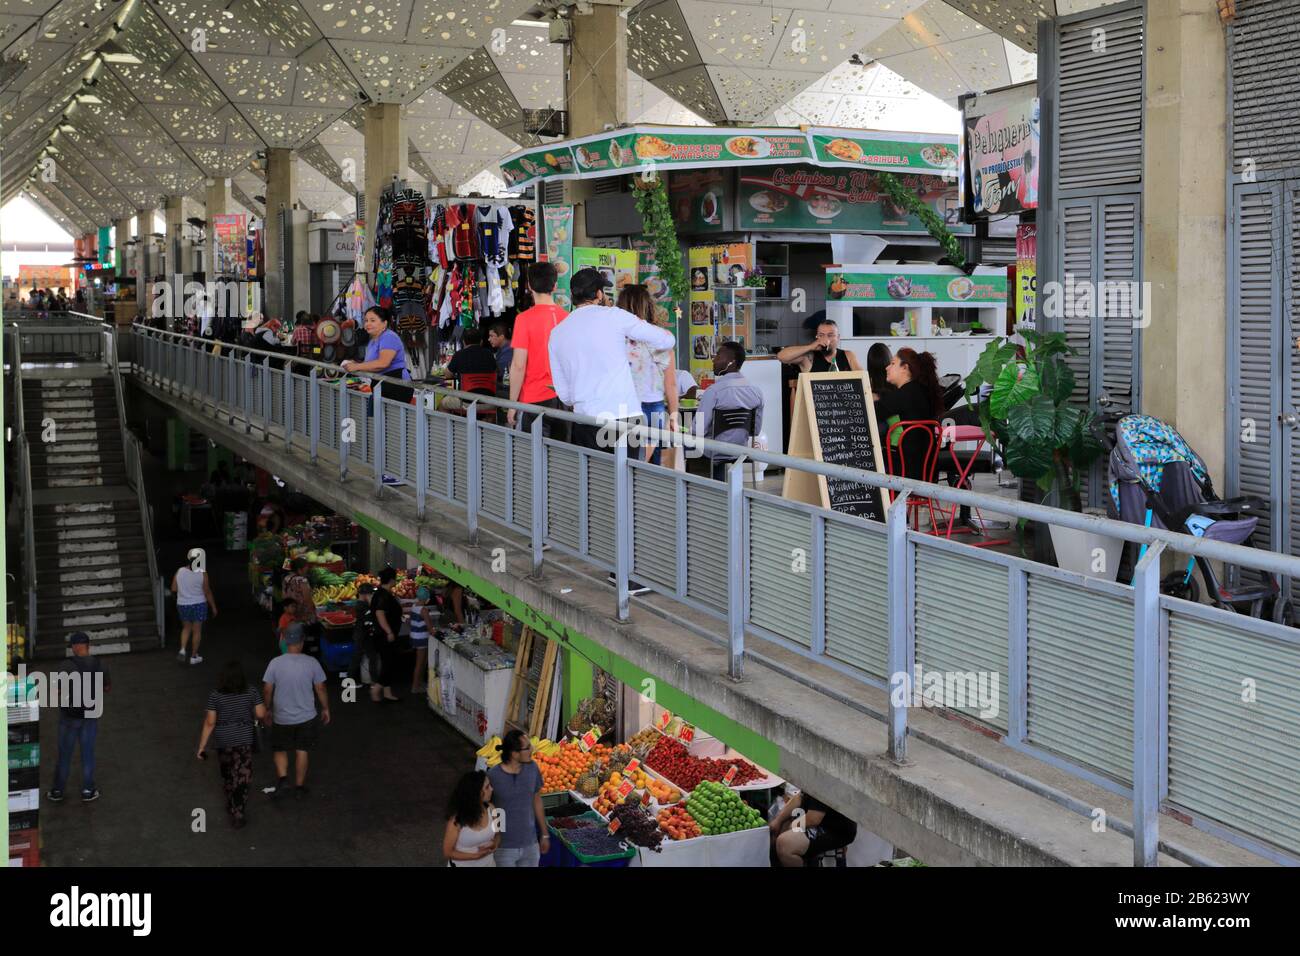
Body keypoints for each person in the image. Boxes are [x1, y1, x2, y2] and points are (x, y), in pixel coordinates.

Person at [548, 268, 675, 451]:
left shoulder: (557, 333)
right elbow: (667, 340)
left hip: (584, 420)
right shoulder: (615, 316)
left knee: (591, 478)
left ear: (573, 295)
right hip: (624, 419)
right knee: (625, 478)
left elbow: (565, 396)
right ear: (599, 294)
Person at [261, 624, 330, 798]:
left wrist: (267, 709)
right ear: (302, 641)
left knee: (280, 748)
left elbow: (267, 689)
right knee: (302, 749)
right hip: (306, 716)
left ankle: (283, 779)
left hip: (281, 716)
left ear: (284, 640)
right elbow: (321, 688)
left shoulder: (275, 663)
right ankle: (299, 787)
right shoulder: (311, 662)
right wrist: (326, 708)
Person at [197, 660, 267, 829]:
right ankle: (238, 811)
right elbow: (261, 713)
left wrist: (202, 746)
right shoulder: (251, 691)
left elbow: (210, 722)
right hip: (243, 739)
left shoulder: (215, 695)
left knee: (228, 774)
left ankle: (231, 803)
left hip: (223, 741)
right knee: (243, 776)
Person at [617, 284, 679, 465]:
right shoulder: (662, 338)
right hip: (655, 408)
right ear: (648, 306)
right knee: (653, 468)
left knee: (625, 465)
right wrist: (674, 415)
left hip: (624, 408)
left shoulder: (617, 340)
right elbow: (671, 384)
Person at [506, 261, 568, 438]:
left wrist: (512, 406)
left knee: (534, 459)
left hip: (533, 400)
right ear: (555, 286)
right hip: (563, 400)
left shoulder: (524, 319)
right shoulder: (567, 317)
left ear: (529, 286)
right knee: (562, 459)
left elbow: (518, 365)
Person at [46, 632, 110, 803]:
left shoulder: (66, 665)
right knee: (87, 754)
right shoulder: (100, 664)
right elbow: (107, 688)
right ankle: (88, 790)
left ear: (76, 646)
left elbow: (56, 690)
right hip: (90, 716)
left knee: (65, 755)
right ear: (88, 645)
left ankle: (58, 791)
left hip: (69, 717)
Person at [694, 341, 765, 481]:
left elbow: (698, 430)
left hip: (713, 452)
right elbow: (755, 430)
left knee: (680, 445)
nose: (713, 360)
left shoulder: (714, 391)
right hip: (741, 451)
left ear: (731, 362)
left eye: (718, 356)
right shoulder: (756, 392)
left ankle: (704, 494)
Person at [874, 347, 944, 480]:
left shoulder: (905, 394)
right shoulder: (922, 390)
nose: (887, 368)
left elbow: (873, 412)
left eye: (893, 363)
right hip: (928, 470)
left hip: (907, 472)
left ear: (905, 368)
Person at [487, 729, 550, 866]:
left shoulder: (533, 768)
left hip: (530, 844)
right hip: (504, 847)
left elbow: (537, 800)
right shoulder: (493, 776)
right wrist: (496, 836)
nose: (531, 750)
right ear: (514, 753)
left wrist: (544, 834)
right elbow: (489, 808)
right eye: (527, 748)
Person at [341, 305, 413, 405]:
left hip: (397, 385)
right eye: (366, 320)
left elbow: (383, 363)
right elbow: (372, 364)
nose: (367, 324)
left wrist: (356, 366)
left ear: (384, 323)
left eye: (372, 320)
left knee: (393, 418)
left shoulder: (389, 336)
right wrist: (356, 364)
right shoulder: (373, 340)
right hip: (382, 384)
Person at [769, 790, 858, 867]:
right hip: (818, 818)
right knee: (780, 828)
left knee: (785, 843)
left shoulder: (825, 781)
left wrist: (792, 826)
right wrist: (778, 820)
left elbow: (813, 819)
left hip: (836, 829)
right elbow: (800, 797)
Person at [443, 770, 499, 866]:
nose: (492, 789)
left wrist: (495, 845)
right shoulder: (456, 820)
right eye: (487, 787)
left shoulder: (492, 808)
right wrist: (475, 856)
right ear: (475, 793)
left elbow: (498, 835)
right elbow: (447, 852)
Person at [172, 550, 217, 665]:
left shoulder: (180, 571)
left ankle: (182, 649)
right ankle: (194, 656)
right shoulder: (202, 573)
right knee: (197, 630)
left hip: (183, 604)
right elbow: (207, 592)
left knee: (186, 628)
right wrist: (213, 607)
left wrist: (185, 590)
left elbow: (174, 589)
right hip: (199, 604)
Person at [776, 317, 863, 374]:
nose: (825, 339)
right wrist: (810, 347)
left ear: (838, 337)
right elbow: (781, 356)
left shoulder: (848, 355)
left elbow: (863, 378)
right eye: (821, 335)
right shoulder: (809, 357)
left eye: (830, 335)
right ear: (817, 337)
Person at [367, 567, 403, 703]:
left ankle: (387, 692)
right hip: (384, 636)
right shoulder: (383, 595)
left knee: (387, 662)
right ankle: (376, 689)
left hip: (381, 635)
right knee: (389, 663)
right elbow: (379, 613)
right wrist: (389, 631)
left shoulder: (380, 593)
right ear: (392, 580)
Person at [446, 327, 498, 396]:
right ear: (481, 342)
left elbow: (448, 375)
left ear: (464, 342)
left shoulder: (459, 354)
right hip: (490, 401)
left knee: (442, 403)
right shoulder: (489, 354)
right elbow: (496, 372)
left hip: (466, 402)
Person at [282, 557, 319, 646]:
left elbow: (284, 594)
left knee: (295, 633)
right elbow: (307, 598)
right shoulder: (302, 580)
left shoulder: (286, 578)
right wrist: (314, 611)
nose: (306, 572)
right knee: (308, 632)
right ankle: (308, 646)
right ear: (299, 569)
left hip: (290, 613)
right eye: (305, 570)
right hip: (302, 613)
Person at [409, 586, 434, 695]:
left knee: (422, 661)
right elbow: (429, 627)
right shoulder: (424, 610)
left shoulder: (414, 606)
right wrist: (435, 632)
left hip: (414, 636)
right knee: (420, 663)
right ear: (426, 598)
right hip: (421, 638)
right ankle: (415, 687)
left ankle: (419, 683)